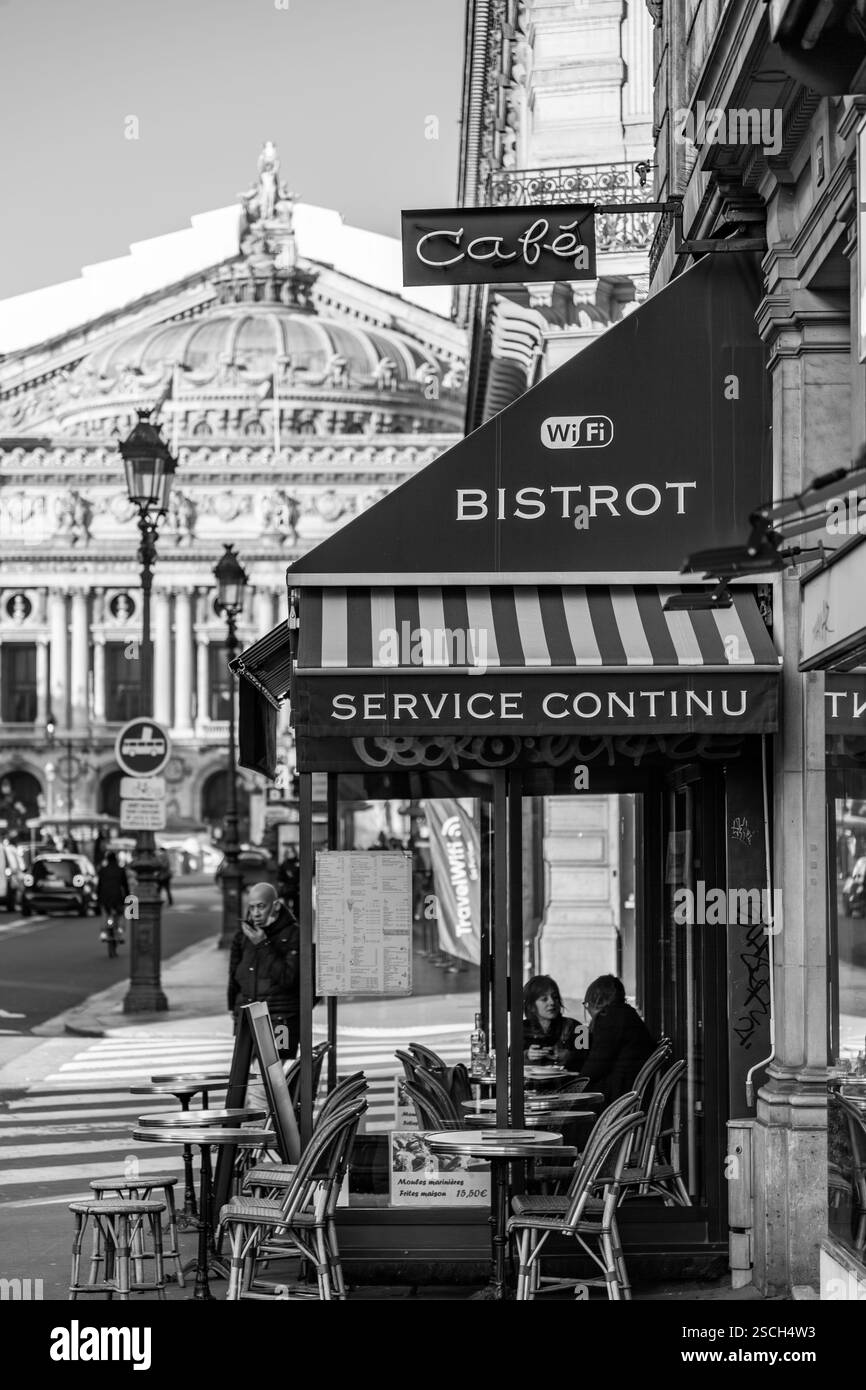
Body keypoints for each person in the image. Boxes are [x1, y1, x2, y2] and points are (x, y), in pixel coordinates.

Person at [228, 881, 300, 1060]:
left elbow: (288, 978)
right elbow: (234, 976)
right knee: (250, 1079)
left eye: (261, 906)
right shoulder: (244, 935)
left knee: (275, 1078)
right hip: (247, 1020)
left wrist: (262, 944)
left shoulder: (293, 934)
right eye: (251, 908)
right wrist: (234, 1010)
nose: (256, 913)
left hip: (280, 1021)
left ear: (275, 906)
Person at [574, 974, 656, 1103]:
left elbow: (595, 1066)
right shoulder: (628, 1015)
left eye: (587, 1004)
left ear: (597, 1002)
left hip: (618, 1099)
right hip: (636, 1094)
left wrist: (573, 1085)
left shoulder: (609, 1018)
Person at [522, 975, 583, 1070]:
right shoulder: (520, 1028)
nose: (552, 1002)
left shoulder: (578, 1028)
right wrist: (527, 1056)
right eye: (544, 999)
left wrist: (568, 1056)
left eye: (555, 997)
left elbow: (589, 1057)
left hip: (567, 1084)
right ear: (531, 1006)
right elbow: (508, 1058)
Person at [96, 851, 129, 941]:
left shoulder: (103, 870)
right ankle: (120, 933)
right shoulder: (120, 870)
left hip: (105, 897)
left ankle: (103, 933)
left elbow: (99, 886)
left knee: (105, 914)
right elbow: (125, 885)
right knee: (120, 915)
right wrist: (127, 896)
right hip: (117, 897)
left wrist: (98, 898)